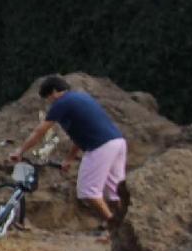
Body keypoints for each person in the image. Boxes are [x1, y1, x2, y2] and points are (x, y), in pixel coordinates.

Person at [11, 76, 128, 233]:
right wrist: (69, 159)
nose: (49, 103)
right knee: (114, 190)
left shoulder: (61, 103)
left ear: (53, 92)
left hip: (101, 146)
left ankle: (115, 228)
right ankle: (127, 228)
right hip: (118, 142)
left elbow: (40, 131)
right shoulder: (80, 98)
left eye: (48, 99)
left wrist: (20, 150)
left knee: (88, 191)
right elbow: (81, 135)